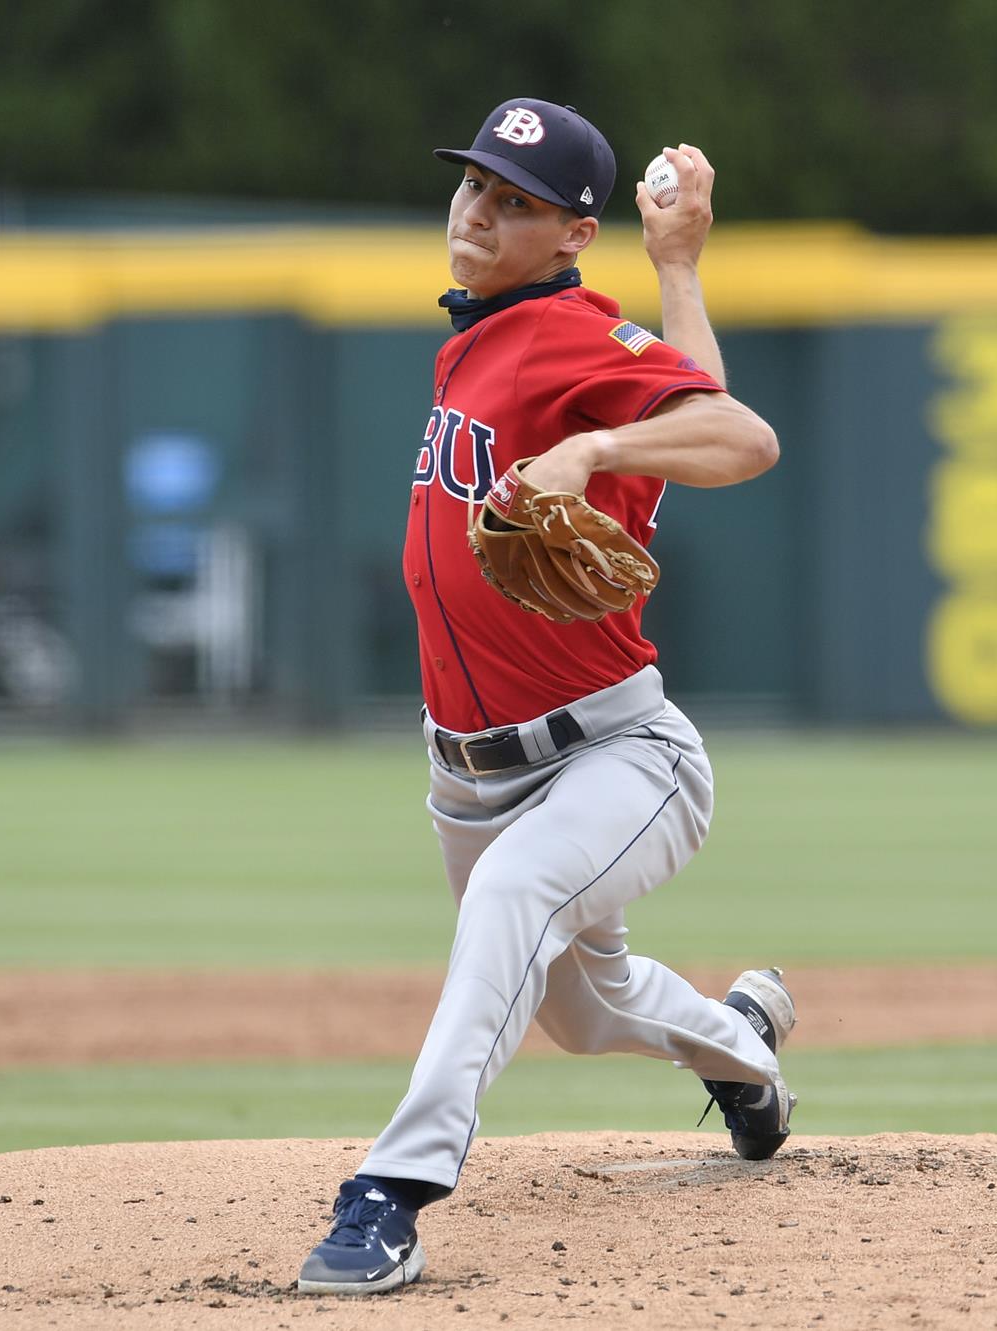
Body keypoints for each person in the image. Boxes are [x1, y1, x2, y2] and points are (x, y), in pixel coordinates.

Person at [296, 98, 795, 1297]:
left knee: (517, 900)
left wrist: (589, 455)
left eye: (513, 201)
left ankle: (391, 1194)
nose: (477, 210)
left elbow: (739, 434)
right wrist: (677, 269)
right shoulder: (481, 339)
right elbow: (685, 393)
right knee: (580, 1005)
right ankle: (746, 1052)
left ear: (573, 233)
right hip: (468, 772)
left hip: (617, 755)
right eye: (471, 185)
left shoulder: (563, 334)